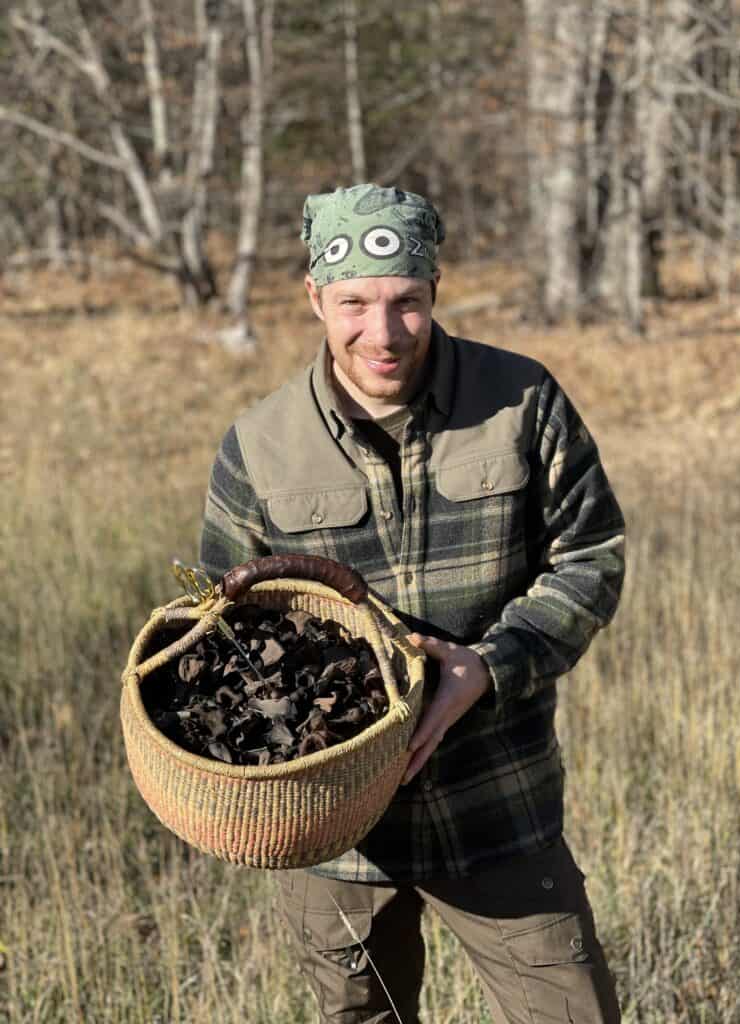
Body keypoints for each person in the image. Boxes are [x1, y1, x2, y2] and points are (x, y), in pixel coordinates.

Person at [199, 183, 625, 1023]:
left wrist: (490, 667)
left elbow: (592, 556)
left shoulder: (521, 402)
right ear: (315, 295)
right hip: (334, 837)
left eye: (407, 302)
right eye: (354, 302)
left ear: (436, 291)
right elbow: (220, 639)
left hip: (497, 801)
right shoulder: (258, 445)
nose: (383, 333)